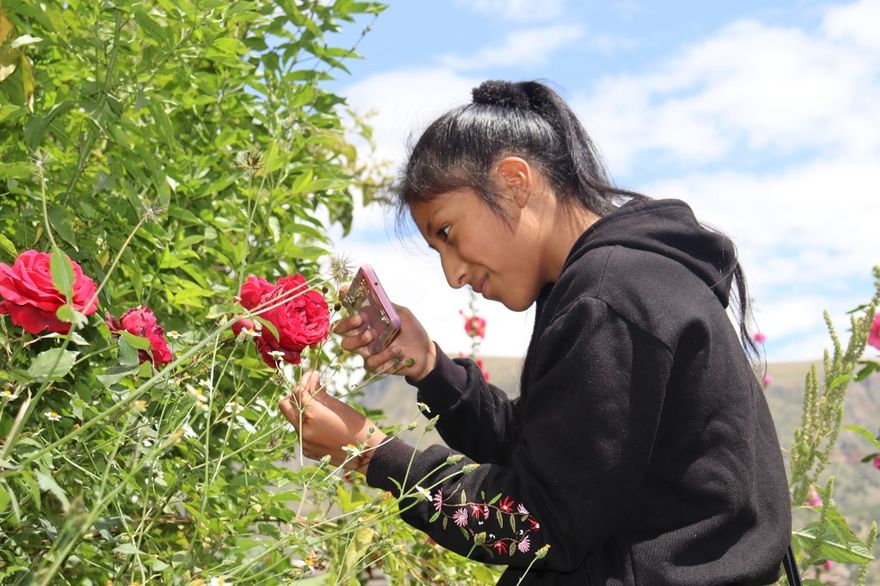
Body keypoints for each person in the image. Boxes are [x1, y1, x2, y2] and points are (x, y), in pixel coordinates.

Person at [278, 80, 792, 585]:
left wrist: (371, 451)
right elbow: (545, 458)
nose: (453, 274)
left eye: (448, 233)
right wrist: (431, 368)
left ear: (513, 182)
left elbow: (532, 525)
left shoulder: (610, 297)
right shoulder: (621, 285)